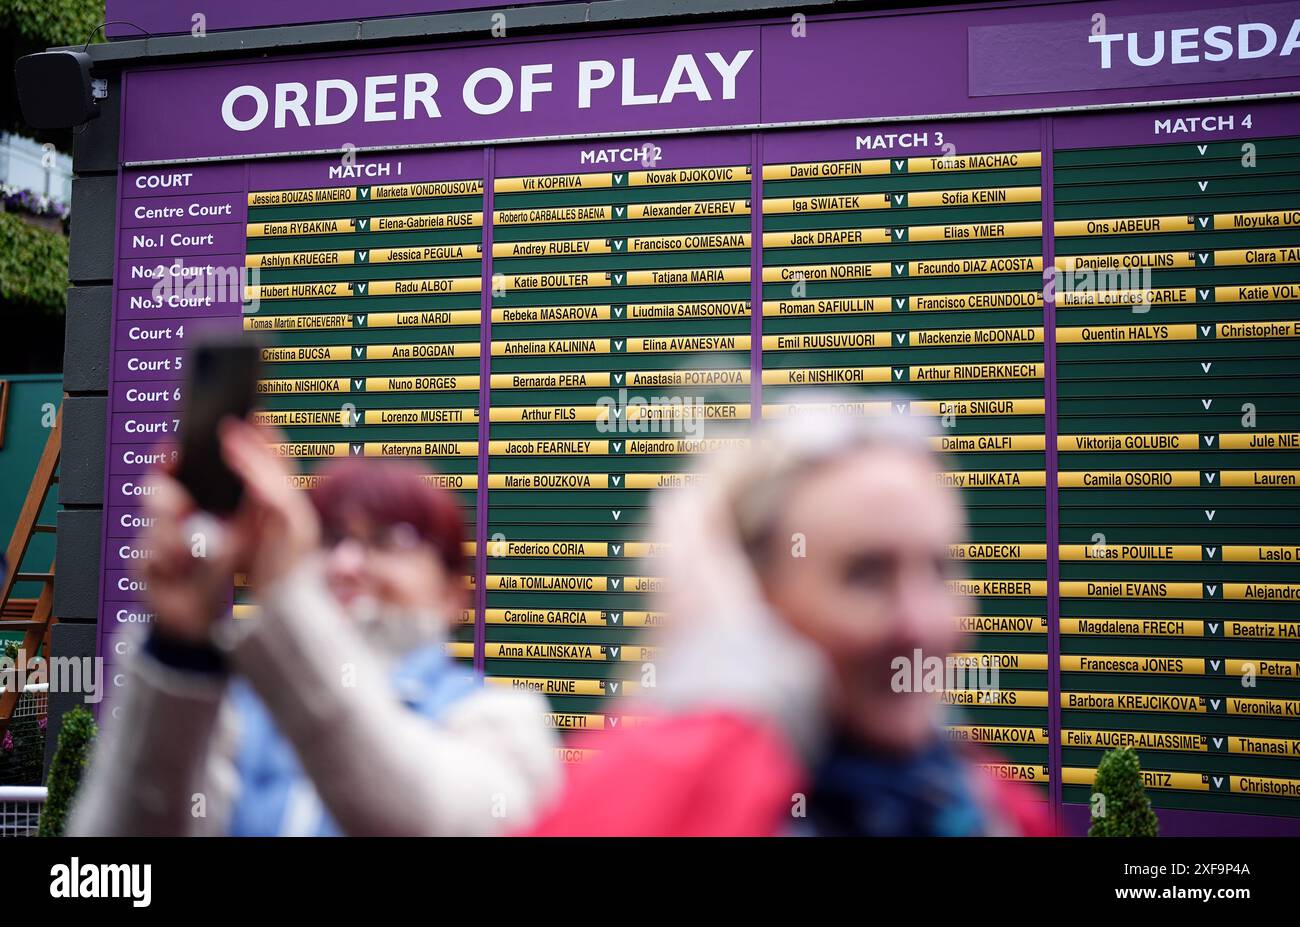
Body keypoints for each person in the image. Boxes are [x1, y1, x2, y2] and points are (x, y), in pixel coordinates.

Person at [528, 400, 1053, 836]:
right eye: (866, 575)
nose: (921, 625)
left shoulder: (997, 810)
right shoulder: (672, 792)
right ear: (757, 596)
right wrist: (726, 692)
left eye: (940, 570)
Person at [71, 420, 559, 836]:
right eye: (330, 538)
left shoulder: (503, 720)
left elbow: (423, 813)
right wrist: (176, 647)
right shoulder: (231, 720)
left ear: (456, 593)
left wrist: (286, 595)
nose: (346, 563)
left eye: (392, 540)